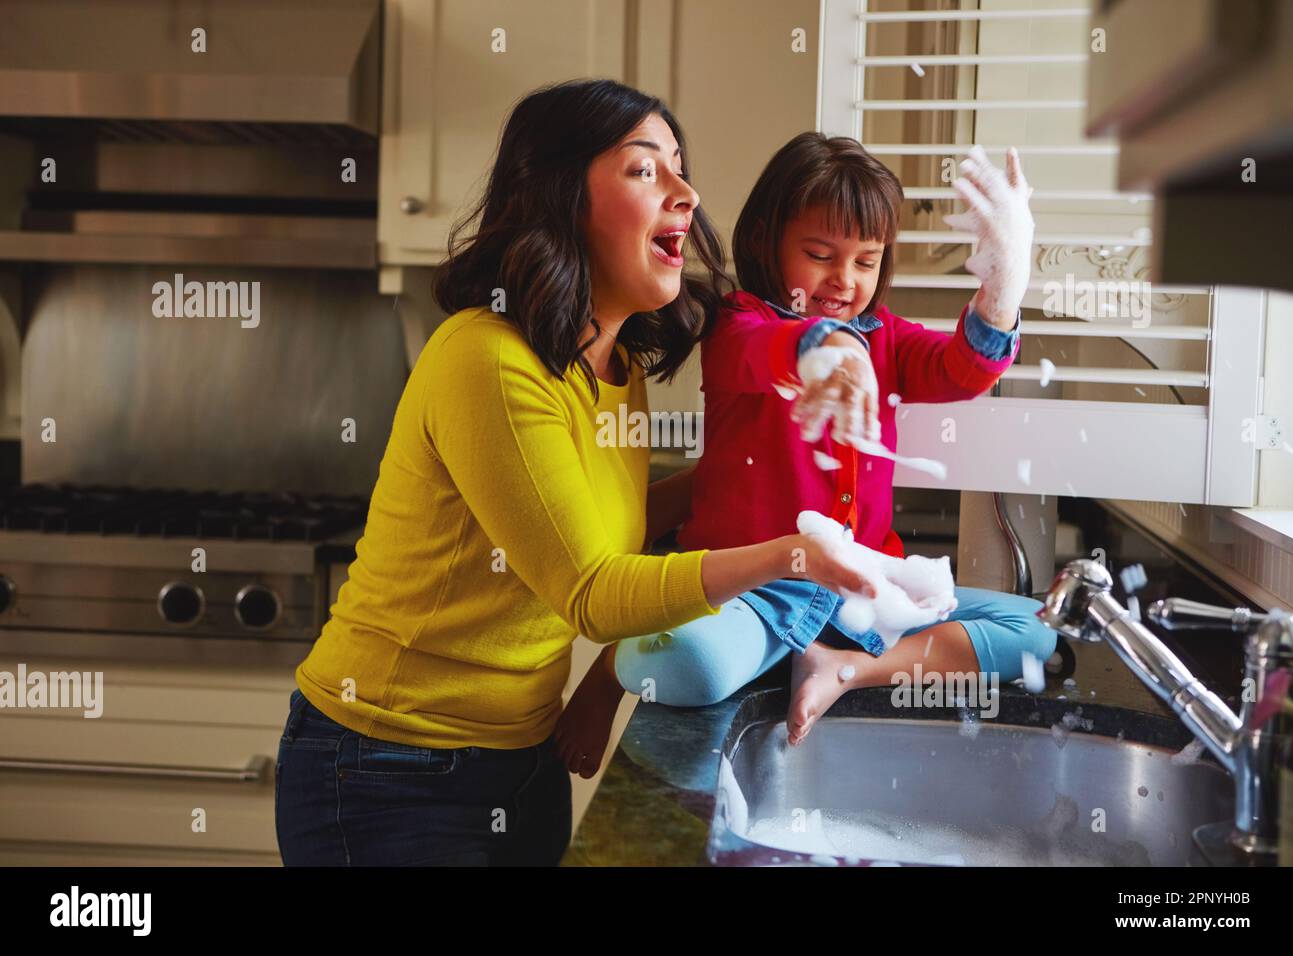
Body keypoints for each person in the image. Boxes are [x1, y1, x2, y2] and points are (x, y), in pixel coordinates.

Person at [274, 82, 879, 866]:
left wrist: (765, 477)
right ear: (561, 198)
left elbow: (610, 527)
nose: (687, 193)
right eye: (644, 170)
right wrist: (789, 554)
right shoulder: (486, 359)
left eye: (680, 167)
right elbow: (593, 589)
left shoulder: (612, 363)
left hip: (520, 751)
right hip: (386, 763)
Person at [559, 133, 1056, 766]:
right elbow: (761, 354)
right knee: (689, 666)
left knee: (1042, 632)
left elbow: (964, 370)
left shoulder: (888, 340)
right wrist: (824, 348)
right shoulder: (738, 323)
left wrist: (1004, 282)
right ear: (768, 240)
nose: (843, 281)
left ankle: (841, 670)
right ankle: (612, 666)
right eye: (820, 254)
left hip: (863, 591)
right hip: (756, 591)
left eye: (866, 261)